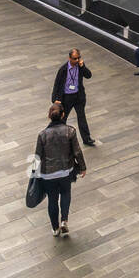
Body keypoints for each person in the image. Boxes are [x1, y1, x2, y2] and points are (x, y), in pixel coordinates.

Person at [33, 102, 86, 237]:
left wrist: (34, 174)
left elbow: (37, 156)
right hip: (65, 171)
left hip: (48, 174)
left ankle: (55, 228)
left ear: (49, 116)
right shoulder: (70, 131)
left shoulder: (42, 135)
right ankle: (64, 220)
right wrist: (82, 167)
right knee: (66, 193)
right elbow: (77, 152)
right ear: (63, 115)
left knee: (52, 199)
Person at [52, 47, 97, 146]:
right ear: (69, 58)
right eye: (74, 58)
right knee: (62, 119)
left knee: (82, 117)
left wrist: (83, 66)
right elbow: (57, 84)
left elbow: (89, 75)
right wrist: (55, 100)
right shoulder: (63, 69)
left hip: (78, 97)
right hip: (66, 98)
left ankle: (87, 139)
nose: (77, 60)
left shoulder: (80, 66)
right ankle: (59, 139)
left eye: (78, 58)